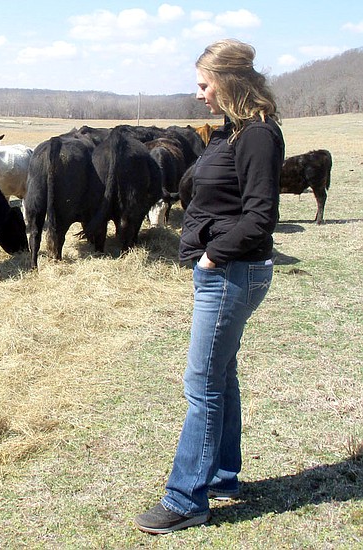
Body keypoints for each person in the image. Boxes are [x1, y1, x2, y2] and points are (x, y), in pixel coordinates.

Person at [135, 38, 285, 534]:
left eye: (205, 84)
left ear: (230, 81)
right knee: (221, 377)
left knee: (201, 385)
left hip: (231, 271)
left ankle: (186, 498)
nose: (199, 94)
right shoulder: (233, 131)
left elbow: (262, 215)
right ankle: (222, 475)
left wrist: (212, 256)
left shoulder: (259, 137)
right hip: (225, 271)